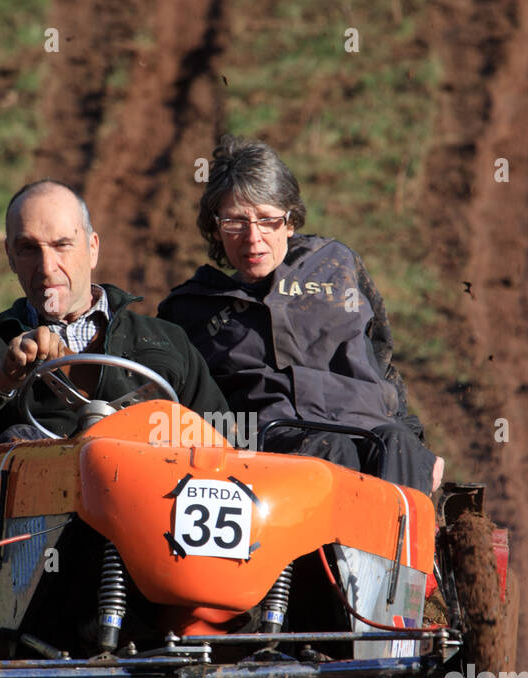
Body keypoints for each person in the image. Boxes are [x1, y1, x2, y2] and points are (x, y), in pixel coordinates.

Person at [158, 136, 444, 494]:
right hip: (269, 445)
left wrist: (414, 438)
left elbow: (379, 355)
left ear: (290, 222)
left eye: (267, 221)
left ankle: (395, 548)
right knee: (330, 451)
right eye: (235, 222)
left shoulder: (336, 264)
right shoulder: (191, 307)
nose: (253, 238)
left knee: (400, 448)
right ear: (215, 227)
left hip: (368, 424)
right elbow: (174, 402)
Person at [0, 180, 229, 462]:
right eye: (29, 249)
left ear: (92, 248)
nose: (47, 267)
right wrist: (1, 378)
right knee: (20, 436)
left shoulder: (164, 339)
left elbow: (222, 446)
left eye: (62, 246)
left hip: (143, 512)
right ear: (10, 257)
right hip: (31, 518)